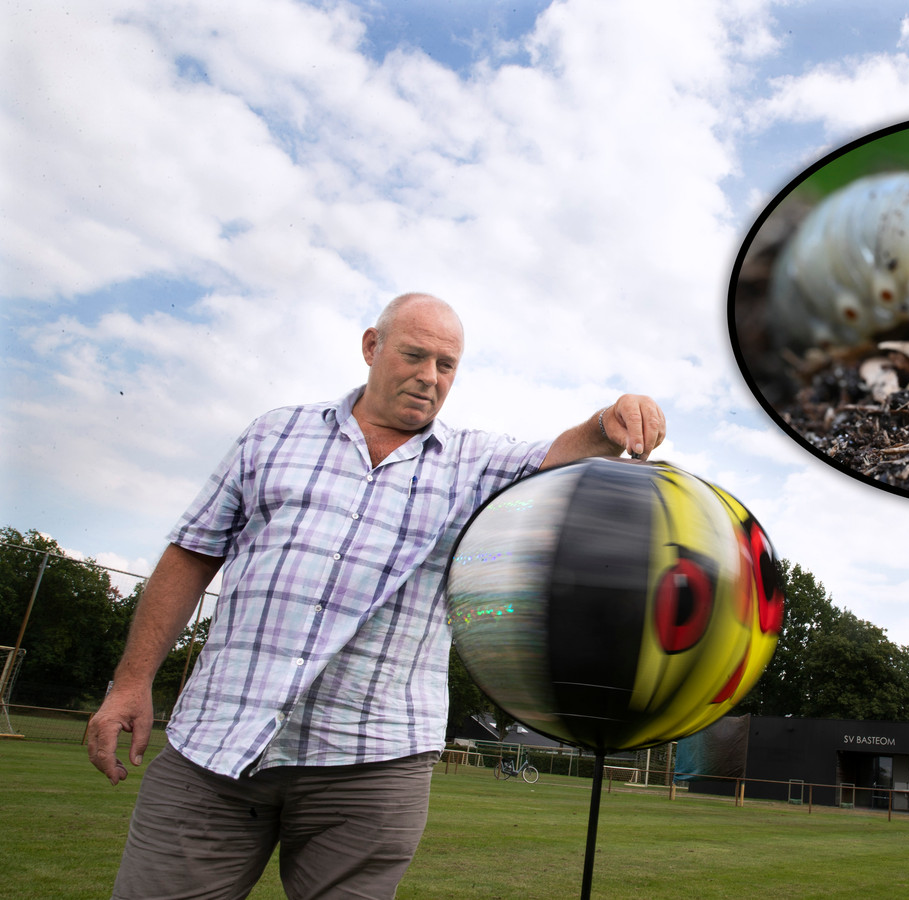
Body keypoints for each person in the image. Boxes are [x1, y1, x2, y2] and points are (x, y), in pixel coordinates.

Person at [86, 292, 666, 899]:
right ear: (371, 346)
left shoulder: (473, 461)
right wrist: (131, 682)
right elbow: (192, 553)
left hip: (374, 761)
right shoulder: (274, 434)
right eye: (414, 356)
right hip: (215, 742)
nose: (429, 376)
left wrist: (607, 422)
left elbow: (558, 457)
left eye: (446, 365)